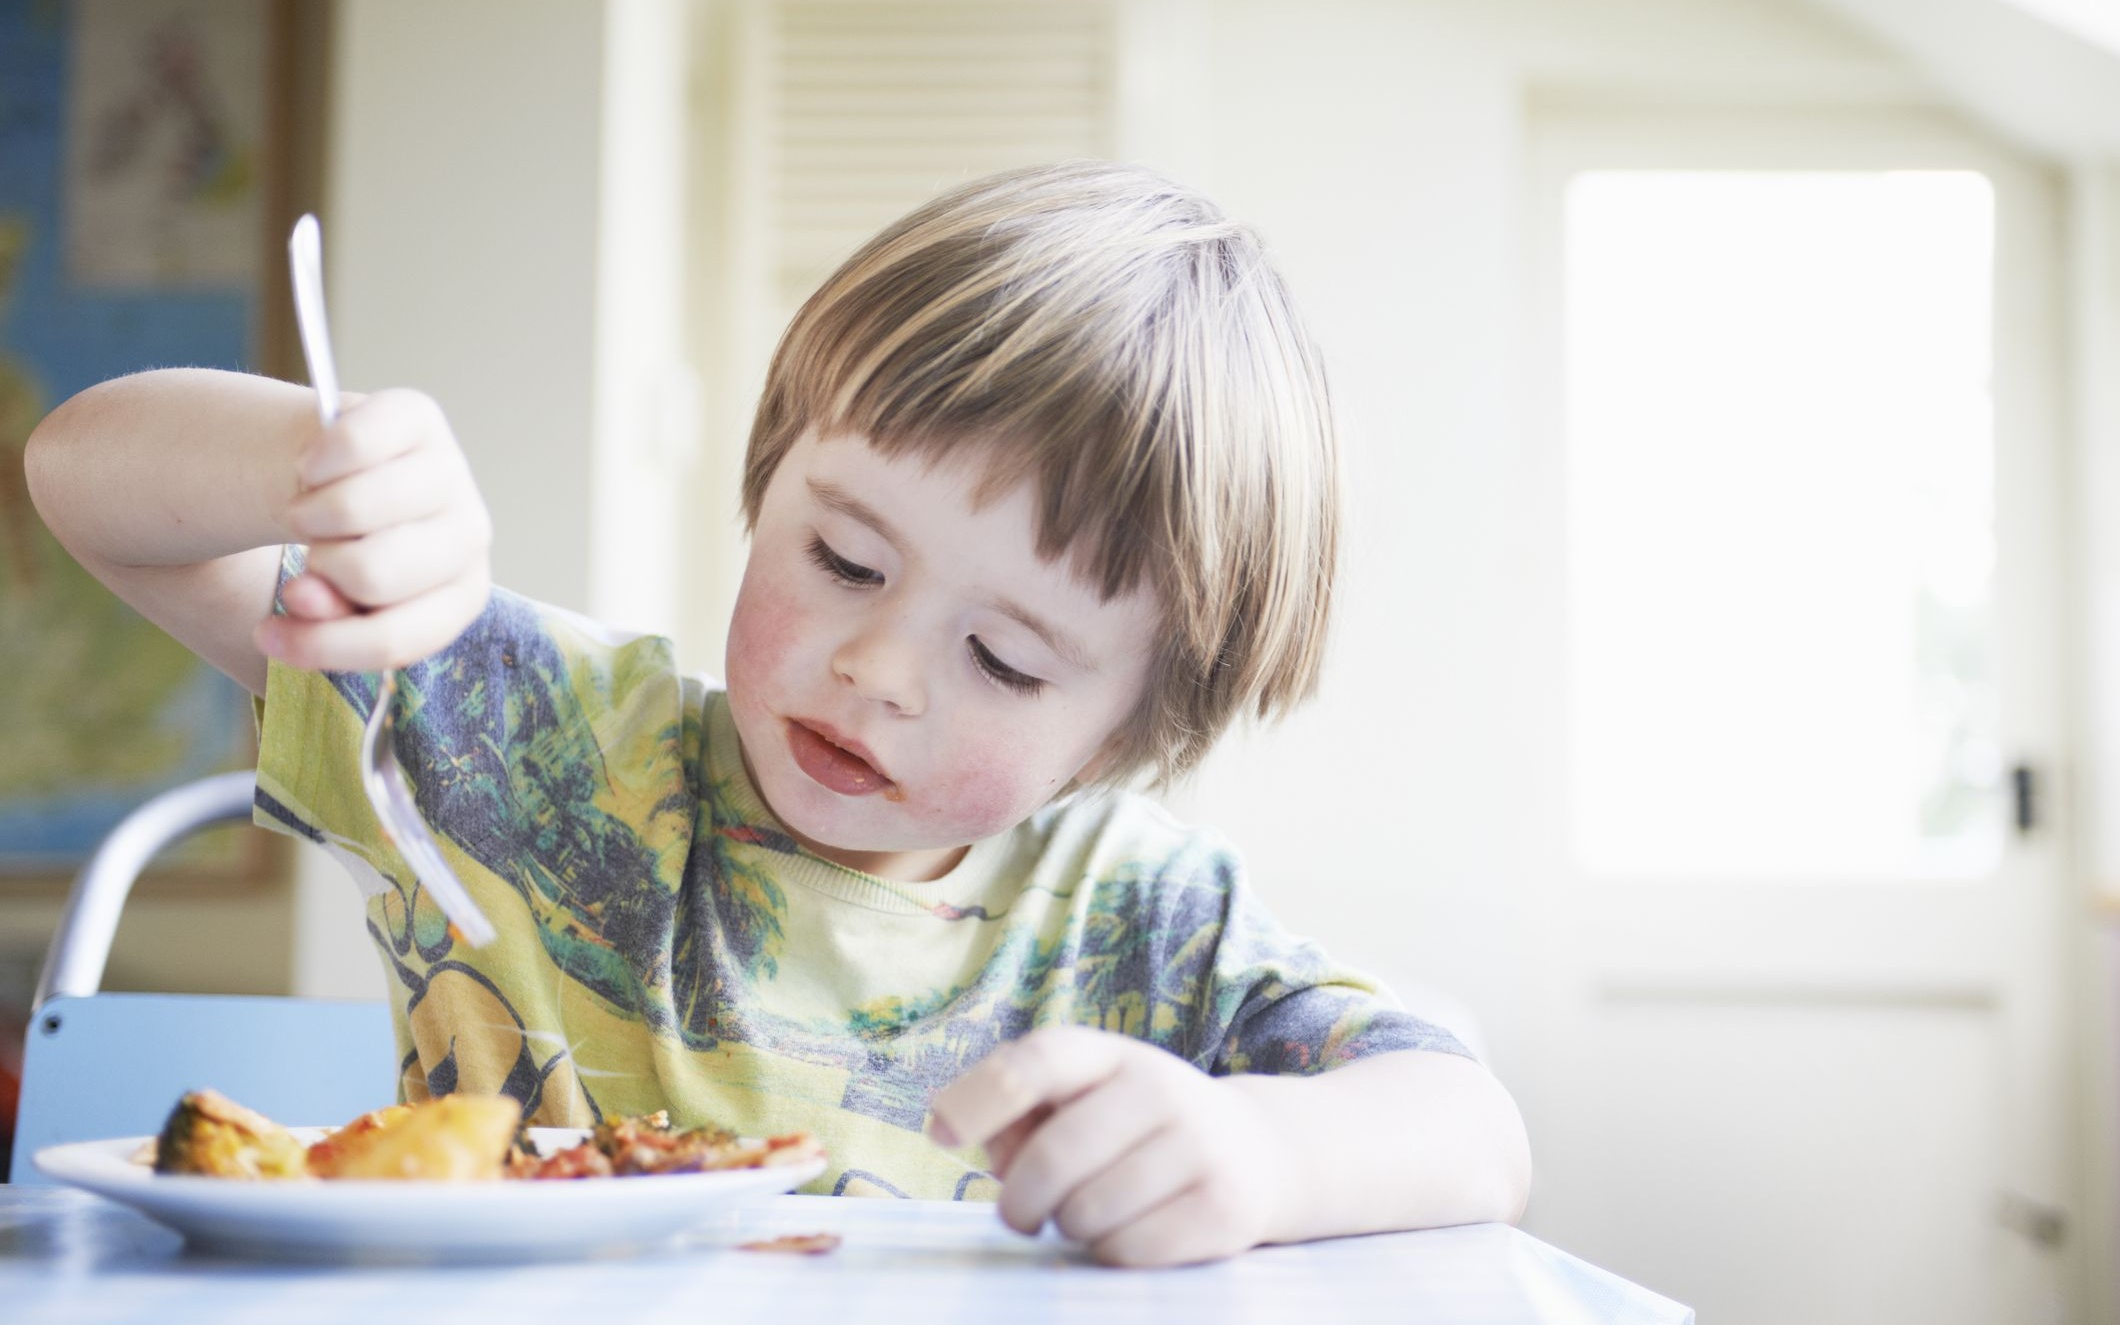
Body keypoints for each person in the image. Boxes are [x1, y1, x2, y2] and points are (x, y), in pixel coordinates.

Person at [25, 161, 1530, 1265]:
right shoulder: (530, 741)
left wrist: (1259, 1153)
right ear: (767, 478)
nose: (880, 665)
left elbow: (1473, 1127)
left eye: (1008, 659)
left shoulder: (1141, 915)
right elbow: (84, 482)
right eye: (844, 557)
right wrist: (314, 468)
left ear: (1130, 732)